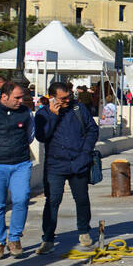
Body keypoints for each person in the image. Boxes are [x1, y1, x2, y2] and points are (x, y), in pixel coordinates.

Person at [34, 81, 99, 253]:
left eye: (69, 96)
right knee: (53, 201)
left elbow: (92, 130)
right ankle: (48, 237)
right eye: (63, 98)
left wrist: (85, 153)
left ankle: (84, 231)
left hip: (78, 162)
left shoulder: (79, 108)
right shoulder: (43, 113)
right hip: (55, 164)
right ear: (52, 97)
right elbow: (42, 136)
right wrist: (53, 116)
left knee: (82, 199)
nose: (67, 100)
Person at [0, 80, 35, 259]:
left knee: (21, 199)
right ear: (4, 96)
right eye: (17, 97)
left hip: (20, 164)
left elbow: (30, 136)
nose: (21, 101)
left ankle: (14, 239)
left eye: (22, 97)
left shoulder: (26, 113)